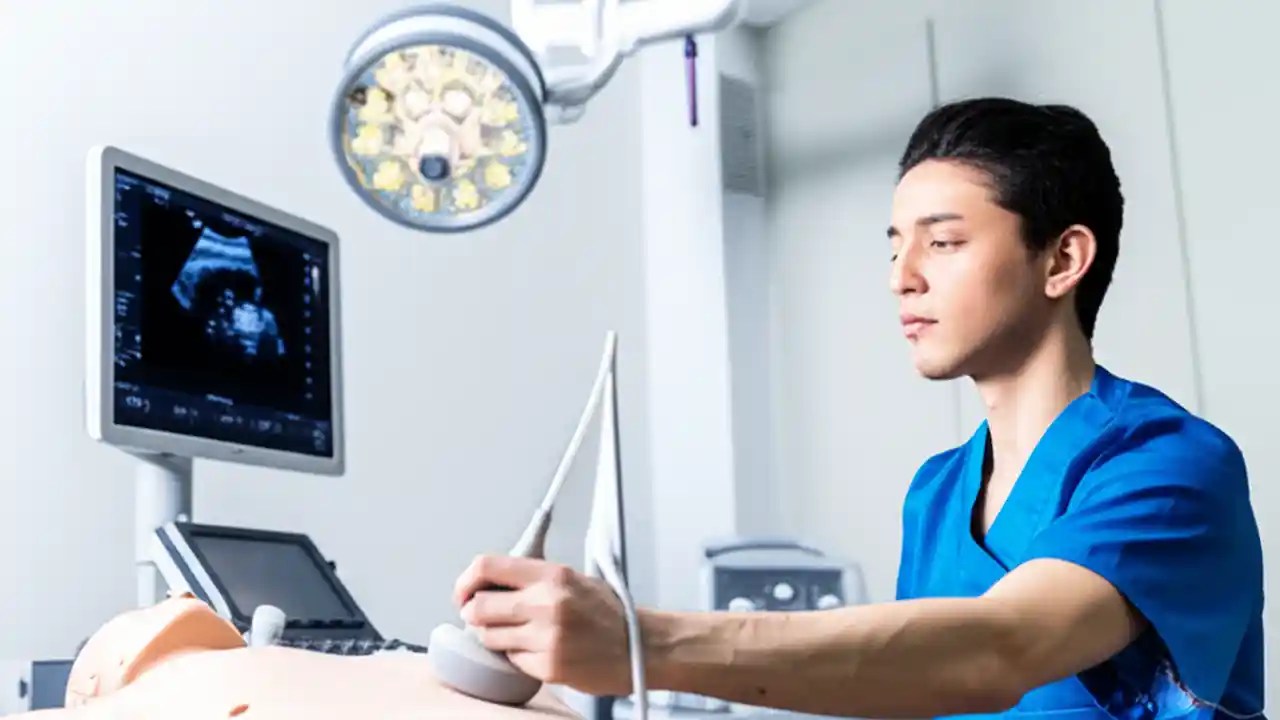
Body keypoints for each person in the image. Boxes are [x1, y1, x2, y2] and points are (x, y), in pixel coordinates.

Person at [453, 97, 1265, 720]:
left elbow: (1000, 648)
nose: (900, 277)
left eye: (942, 243)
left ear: (1063, 258)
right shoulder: (939, 491)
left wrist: (642, 642)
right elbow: (915, 685)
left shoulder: (1170, 468)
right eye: (893, 245)